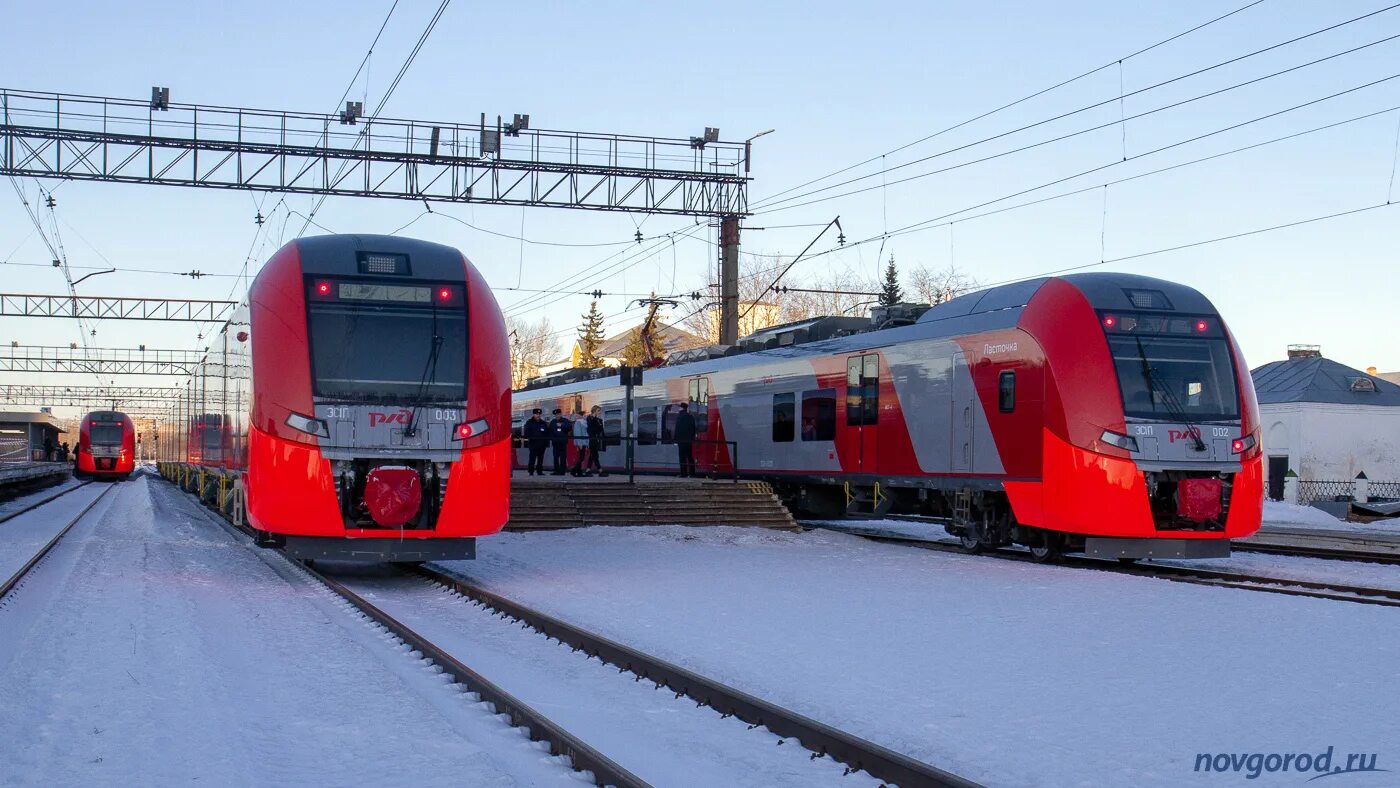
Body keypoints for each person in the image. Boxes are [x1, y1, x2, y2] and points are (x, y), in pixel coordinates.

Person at [674, 401, 697, 477]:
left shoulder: (680, 416)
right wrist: (692, 438)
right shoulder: (690, 417)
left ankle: (683, 473)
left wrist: (676, 439)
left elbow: (677, 429)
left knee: (682, 457)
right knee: (690, 457)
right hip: (689, 440)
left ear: (681, 408)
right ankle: (692, 473)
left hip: (681, 440)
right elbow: (693, 429)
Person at [523, 408, 548, 476]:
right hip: (533, 444)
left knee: (540, 459)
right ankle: (531, 471)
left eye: (539, 414)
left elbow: (546, 433)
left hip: (542, 444)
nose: (538, 415)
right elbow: (527, 433)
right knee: (532, 458)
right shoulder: (529, 422)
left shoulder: (543, 423)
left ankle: (539, 471)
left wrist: (546, 443)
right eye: (537, 414)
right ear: (534, 414)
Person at [548, 408, 571, 476]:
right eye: (556, 415)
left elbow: (569, 427)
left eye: (558, 414)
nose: (557, 416)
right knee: (555, 457)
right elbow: (550, 431)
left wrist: (562, 425)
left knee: (563, 457)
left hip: (563, 442)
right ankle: (556, 471)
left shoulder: (565, 420)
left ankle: (562, 471)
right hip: (555, 443)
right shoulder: (553, 422)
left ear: (560, 414)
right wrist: (552, 439)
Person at [585, 405, 607, 477]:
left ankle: (588, 470)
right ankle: (600, 470)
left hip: (596, 439)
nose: (600, 412)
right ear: (594, 411)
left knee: (592, 455)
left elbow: (600, 429)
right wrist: (595, 420)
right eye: (598, 411)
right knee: (595, 455)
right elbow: (591, 429)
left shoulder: (598, 420)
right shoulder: (589, 418)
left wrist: (597, 427)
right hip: (591, 439)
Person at [570, 408, 590, 477]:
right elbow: (577, 434)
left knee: (581, 458)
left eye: (577, 415)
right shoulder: (578, 422)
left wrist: (587, 443)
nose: (576, 416)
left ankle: (579, 472)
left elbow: (586, 434)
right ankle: (574, 470)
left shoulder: (583, 422)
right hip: (581, 443)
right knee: (581, 458)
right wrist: (579, 443)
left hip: (583, 442)